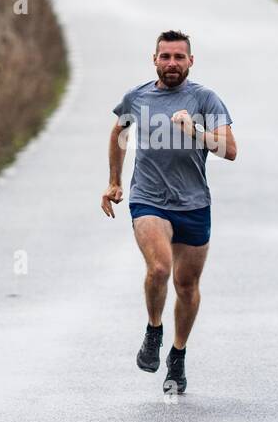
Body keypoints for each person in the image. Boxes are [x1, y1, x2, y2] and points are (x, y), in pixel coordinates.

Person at [101, 30, 237, 395]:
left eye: (179, 57)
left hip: (194, 203)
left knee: (187, 285)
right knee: (159, 268)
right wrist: (115, 181)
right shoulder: (138, 97)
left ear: (191, 61)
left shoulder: (205, 99)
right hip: (149, 199)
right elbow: (118, 134)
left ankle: (177, 355)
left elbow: (230, 150)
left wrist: (195, 131)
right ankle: (153, 329)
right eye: (166, 57)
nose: (172, 64)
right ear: (155, 59)